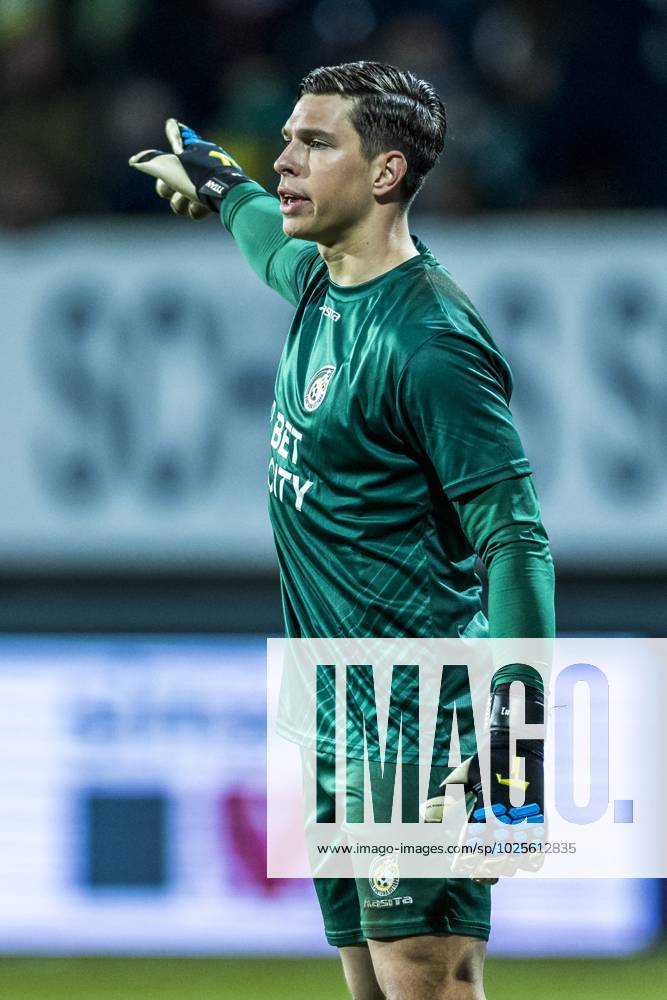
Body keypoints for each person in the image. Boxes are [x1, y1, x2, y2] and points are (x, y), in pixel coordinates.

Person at [130, 60, 555, 1000]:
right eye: (285, 139)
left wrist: (514, 748)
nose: (284, 159)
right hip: (326, 709)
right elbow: (260, 242)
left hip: (416, 716)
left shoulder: (428, 341)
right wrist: (221, 178)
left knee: (429, 983)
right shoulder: (324, 283)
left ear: (385, 174)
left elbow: (516, 542)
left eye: (314, 144)